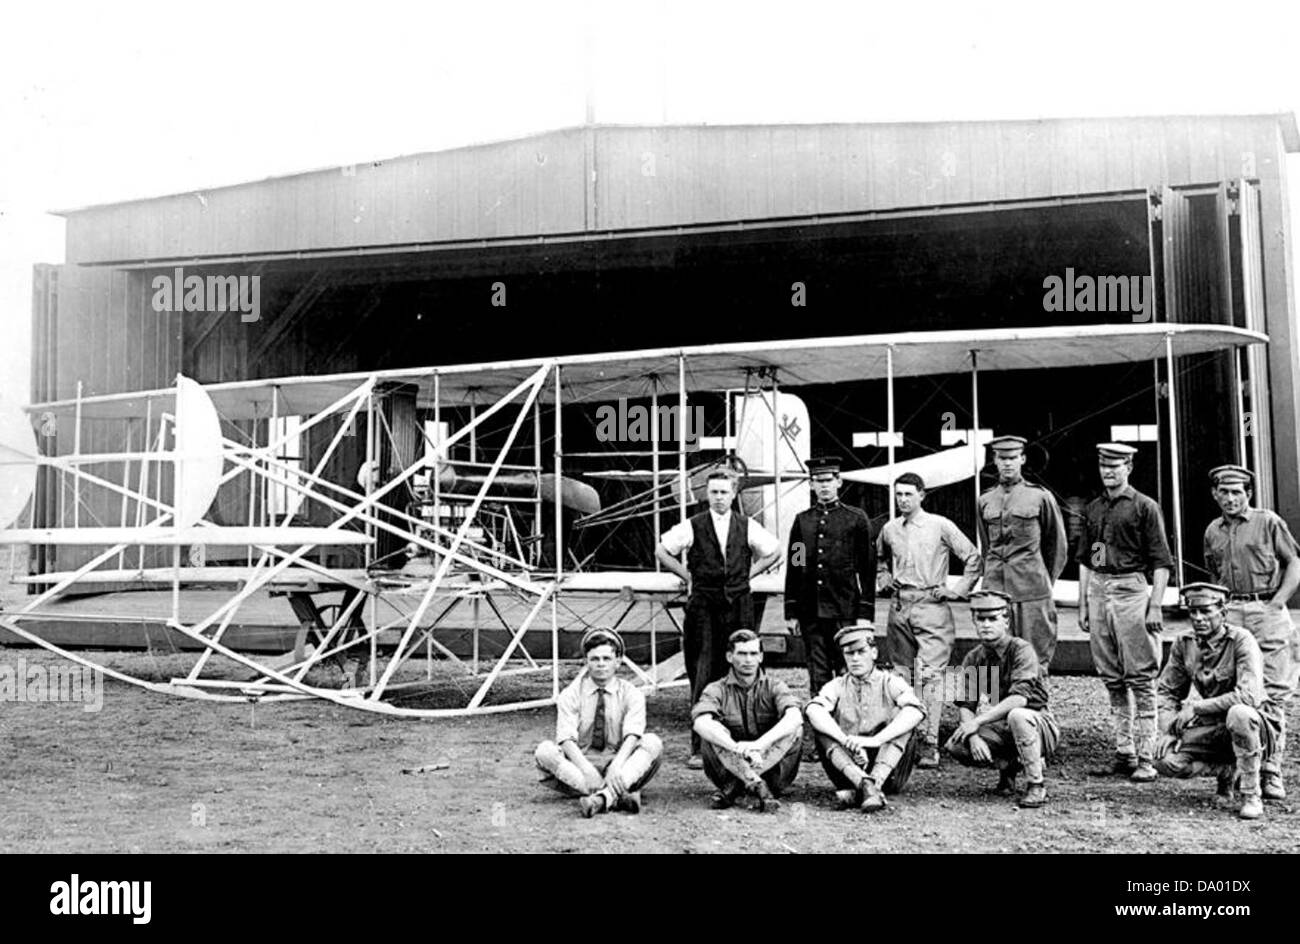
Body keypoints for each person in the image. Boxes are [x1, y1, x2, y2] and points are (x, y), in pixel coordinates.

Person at [657, 470, 782, 768]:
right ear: (707, 495)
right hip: (703, 606)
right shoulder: (693, 525)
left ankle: (747, 739)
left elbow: (774, 551)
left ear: (734, 493)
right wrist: (686, 576)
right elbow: (662, 550)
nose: (719, 497)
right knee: (703, 670)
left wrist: (747, 575)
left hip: (738, 605)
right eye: (713, 492)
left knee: (745, 666)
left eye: (724, 492)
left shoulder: (747, 525)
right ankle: (700, 747)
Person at [1202, 463, 1300, 801]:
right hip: (1230, 613)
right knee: (1228, 690)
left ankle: (1271, 771)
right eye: (1223, 492)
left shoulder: (1268, 522)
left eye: (1236, 492)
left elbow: (1294, 562)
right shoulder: (1212, 531)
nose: (1229, 499)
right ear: (1215, 494)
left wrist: (1277, 604)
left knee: (1272, 693)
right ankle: (1230, 771)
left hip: (1265, 610)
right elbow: (1214, 577)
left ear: (1248, 494)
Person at [1076, 443, 1173, 783]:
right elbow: (1091, 558)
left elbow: (1161, 562)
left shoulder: (1144, 507)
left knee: (1141, 677)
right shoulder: (1095, 509)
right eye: (1104, 466)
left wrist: (1155, 604)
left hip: (1133, 590)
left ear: (1129, 467)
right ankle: (1124, 752)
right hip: (1101, 589)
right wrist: (1085, 603)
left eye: (1116, 466)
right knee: (1112, 676)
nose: (1109, 472)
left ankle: (1146, 758)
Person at [876, 471, 982, 768]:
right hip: (900, 606)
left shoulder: (939, 525)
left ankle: (928, 743)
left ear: (922, 495)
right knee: (901, 673)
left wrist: (956, 591)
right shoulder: (890, 529)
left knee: (930, 676)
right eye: (898, 494)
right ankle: (903, 739)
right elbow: (880, 558)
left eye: (909, 494)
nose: (903, 500)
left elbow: (973, 557)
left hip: (931, 605)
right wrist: (884, 579)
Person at [1154, 582, 1271, 820]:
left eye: (1206, 611)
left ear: (1223, 613)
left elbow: (1250, 696)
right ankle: (1228, 770)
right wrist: (1169, 730)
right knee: (1162, 760)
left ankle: (1252, 794)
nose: (1198, 618)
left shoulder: (1241, 640)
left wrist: (1196, 707)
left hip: (1254, 729)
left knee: (1239, 713)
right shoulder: (1184, 643)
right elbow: (1166, 691)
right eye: (1193, 612)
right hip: (1213, 728)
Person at [944, 589, 1059, 808]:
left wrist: (977, 723)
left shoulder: (1022, 650)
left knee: (1017, 716)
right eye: (981, 619)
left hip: (1039, 724)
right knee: (956, 744)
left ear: (1006, 621)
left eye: (993, 618)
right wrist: (973, 736)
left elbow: (1019, 699)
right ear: (974, 622)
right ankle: (1008, 768)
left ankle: (1036, 784)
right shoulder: (974, 657)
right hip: (1003, 725)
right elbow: (966, 703)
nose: (986, 624)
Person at [534, 628, 664, 817]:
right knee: (544, 751)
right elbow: (566, 738)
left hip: (621, 766)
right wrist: (587, 770)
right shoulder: (571, 694)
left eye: (607, 659)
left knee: (652, 742)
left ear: (618, 662)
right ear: (586, 662)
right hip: (581, 766)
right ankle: (617, 796)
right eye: (595, 659)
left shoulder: (632, 693)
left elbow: (633, 735)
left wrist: (617, 766)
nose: (601, 664)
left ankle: (600, 799)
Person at [804, 624, 924, 812]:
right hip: (848, 767)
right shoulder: (837, 685)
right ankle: (864, 784)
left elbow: (916, 710)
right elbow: (813, 710)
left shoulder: (889, 681)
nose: (855, 659)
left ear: (874, 653)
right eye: (849, 654)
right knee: (822, 729)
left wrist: (875, 740)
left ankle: (871, 785)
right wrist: (846, 740)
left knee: (905, 723)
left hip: (889, 769)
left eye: (861, 651)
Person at [785, 453, 876, 700]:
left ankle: (853, 722)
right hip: (811, 611)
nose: (823, 485)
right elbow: (795, 566)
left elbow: (868, 570)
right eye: (818, 480)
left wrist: (865, 613)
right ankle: (822, 724)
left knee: (849, 667)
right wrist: (791, 610)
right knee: (818, 671)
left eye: (828, 480)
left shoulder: (856, 519)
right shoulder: (802, 521)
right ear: (811, 484)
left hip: (845, 609)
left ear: (839, 482)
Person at [976, 435, 1068, 672]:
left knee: (1034, 656)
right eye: (1002, 458)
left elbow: (1056, 546)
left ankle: (1037, 707)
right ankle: (1000, 708)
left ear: (1023, 459)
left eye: (1013, 458)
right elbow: (988, 547)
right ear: (994, 460)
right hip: (996, 589)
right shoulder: (985, 500)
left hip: (1032, 590)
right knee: (995, 655)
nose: (1008, 463)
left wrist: (1043, 580)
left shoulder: (1040, 497)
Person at [691, 629, 804, 812]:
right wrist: (737, 748)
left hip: (772, 775)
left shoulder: (775, 686)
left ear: (761, 657)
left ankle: (739, 784)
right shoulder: (716, 689)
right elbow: (700, 723)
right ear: (729, 656)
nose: (748, 660)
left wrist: (759, 745)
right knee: (712, 730)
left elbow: (795, 717)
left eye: (753, 654)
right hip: (726, 771)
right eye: (742, 654)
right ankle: (755, 784)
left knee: (795, 729)